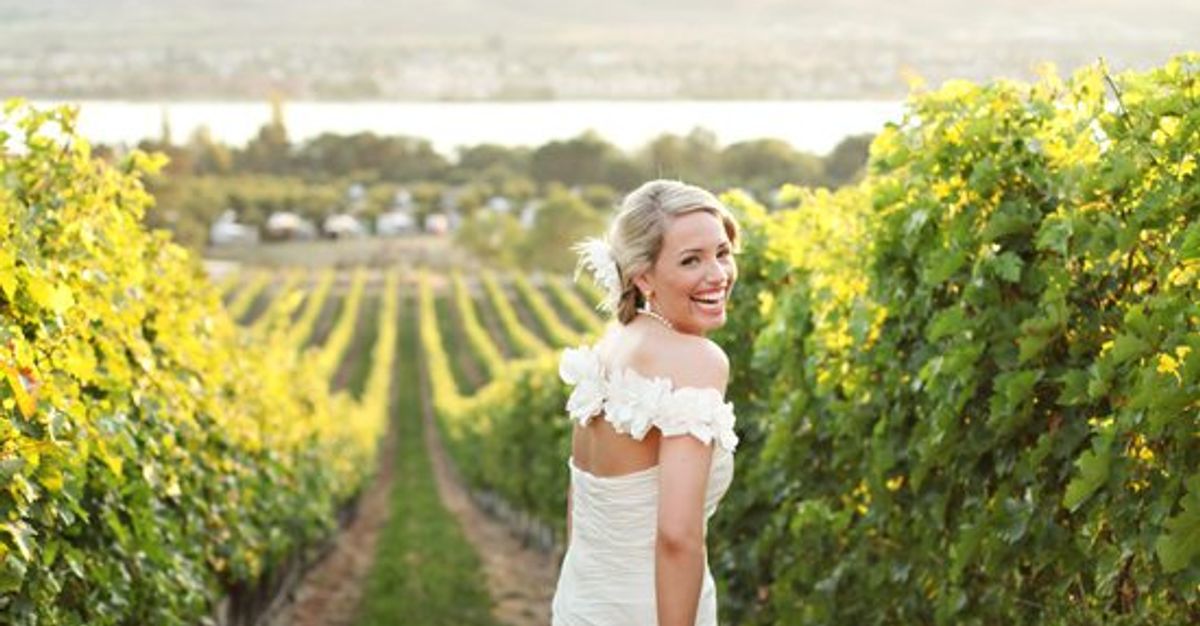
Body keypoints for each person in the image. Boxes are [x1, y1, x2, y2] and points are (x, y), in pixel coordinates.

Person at [551, 179, 740, 626]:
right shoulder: (697, 360)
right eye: (691, 260)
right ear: (643, 277)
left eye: (722, 252)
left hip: (580, 606)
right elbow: (677, 536)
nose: (717, 274)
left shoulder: (612, 344)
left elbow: (579, 503)